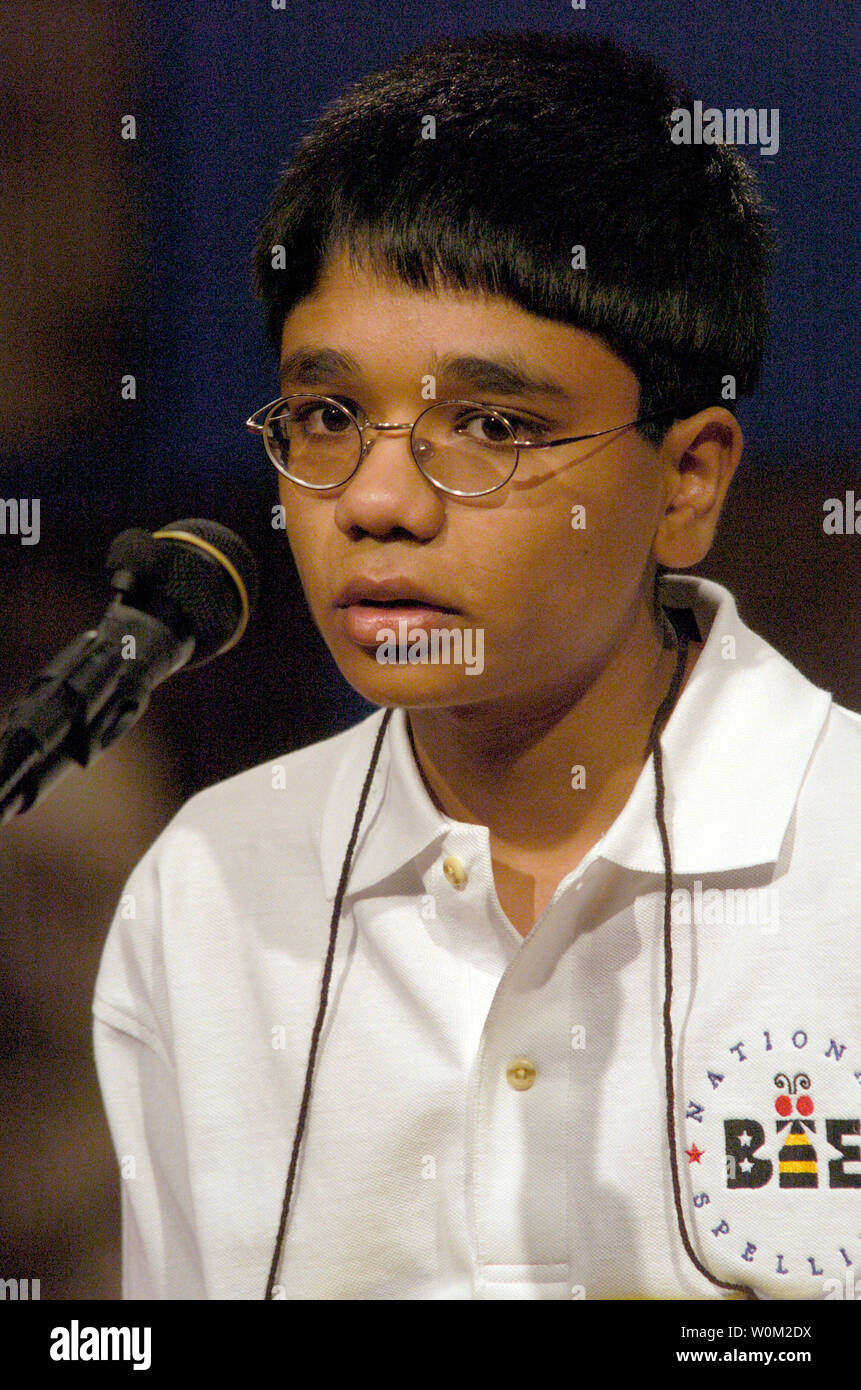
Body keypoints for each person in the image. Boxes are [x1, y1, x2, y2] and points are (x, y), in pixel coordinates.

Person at [92, 31, 861, 1300]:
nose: (375, 500)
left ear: (686, 481)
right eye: (329, 417)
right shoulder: (210, 889)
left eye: (492, 426)